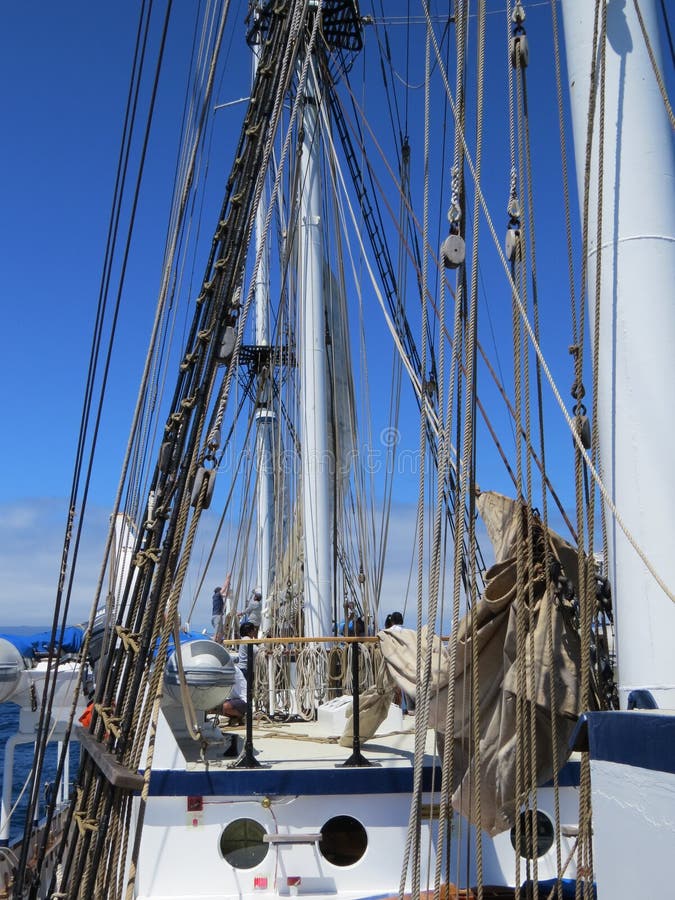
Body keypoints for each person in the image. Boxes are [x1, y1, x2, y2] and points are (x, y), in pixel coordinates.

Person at [211, 573, 230, 643]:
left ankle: (218, 643)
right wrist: (227, 578)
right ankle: (214, 643)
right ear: (219, 591)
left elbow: (226, 594)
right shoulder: (217, 595)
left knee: (221, 632)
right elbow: (224, 588)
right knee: (217, 632)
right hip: (217, 617)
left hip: (217, 617)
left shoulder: (216, 597)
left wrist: (229, 586)